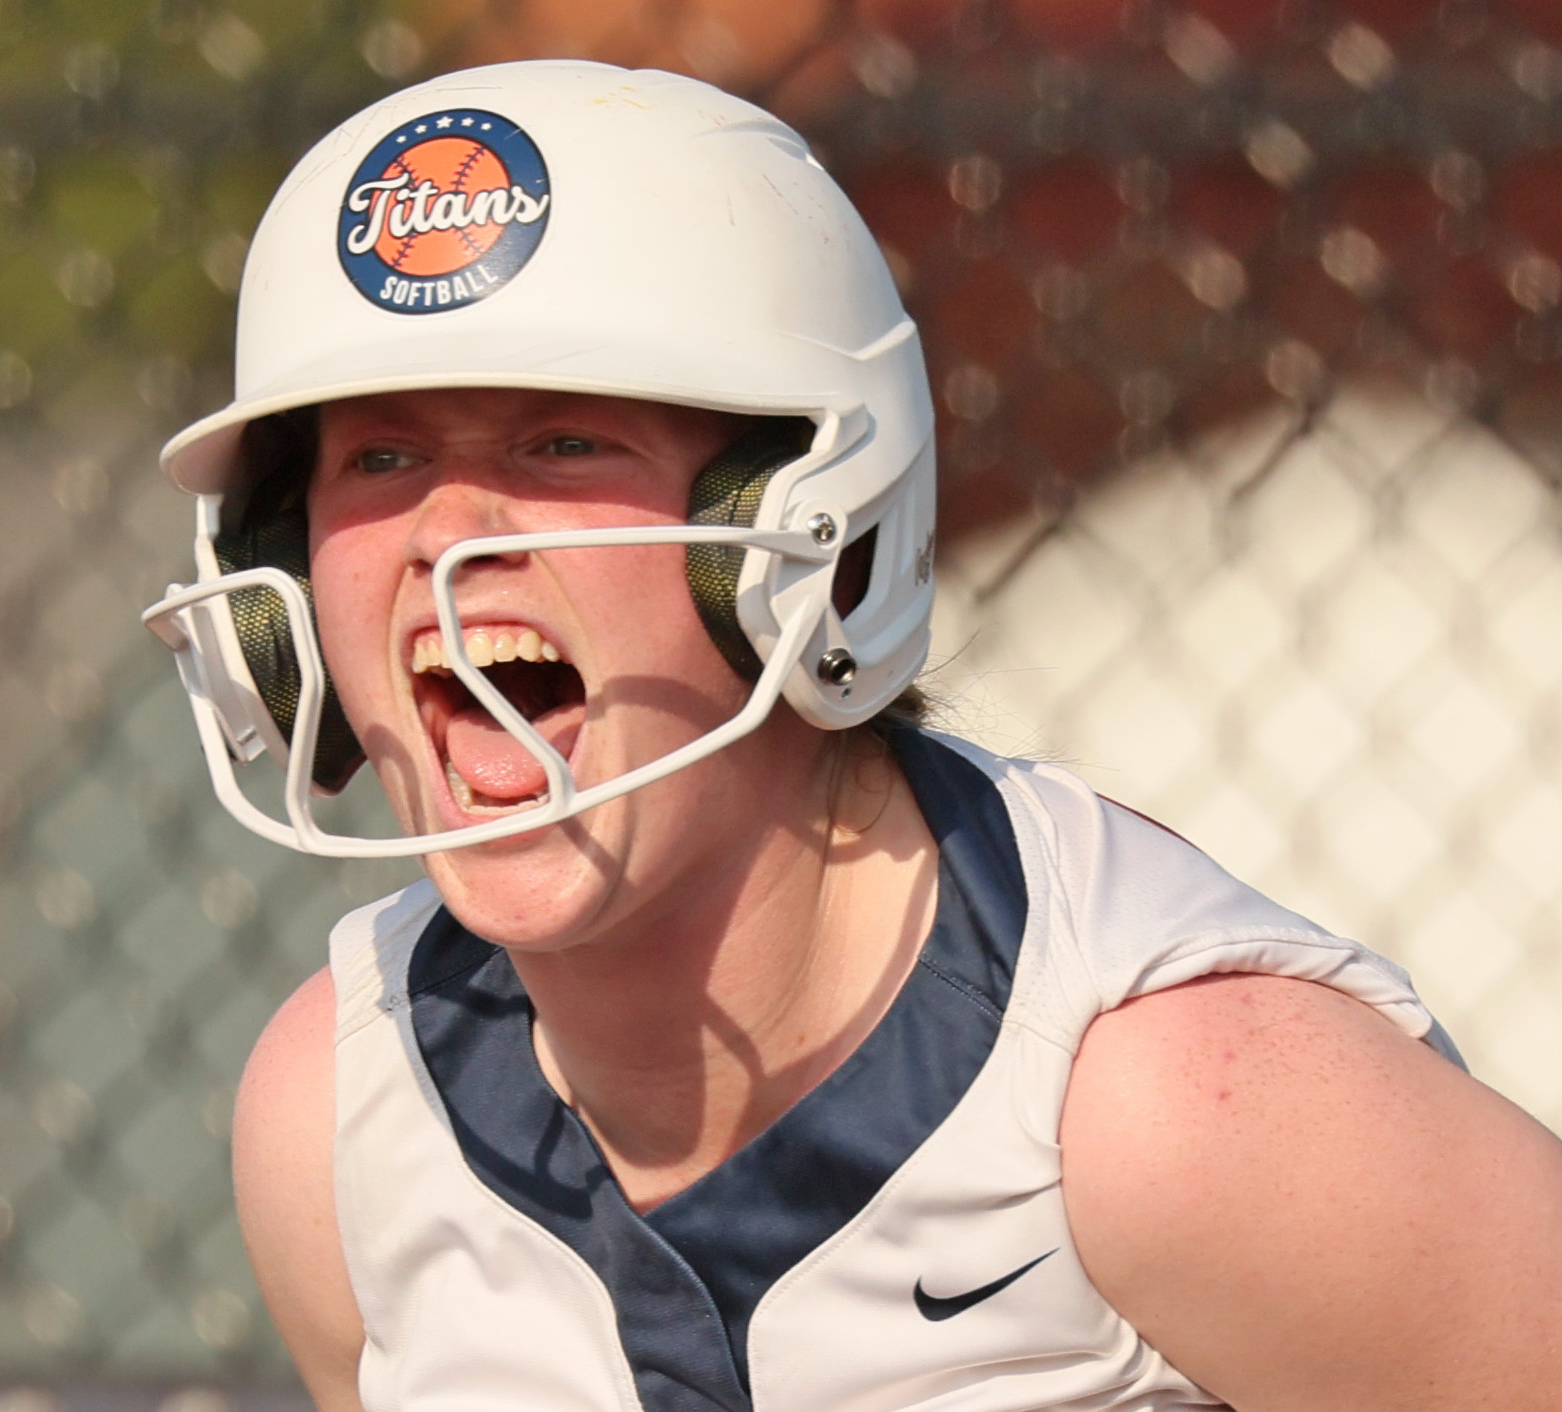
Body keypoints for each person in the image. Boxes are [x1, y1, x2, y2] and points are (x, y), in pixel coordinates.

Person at [142, 60, 1562, 1412]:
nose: (449, 535)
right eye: (381, 459)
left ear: (806, 528)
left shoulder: (1172, 1109)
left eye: (563, 443)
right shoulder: (343, 1116)